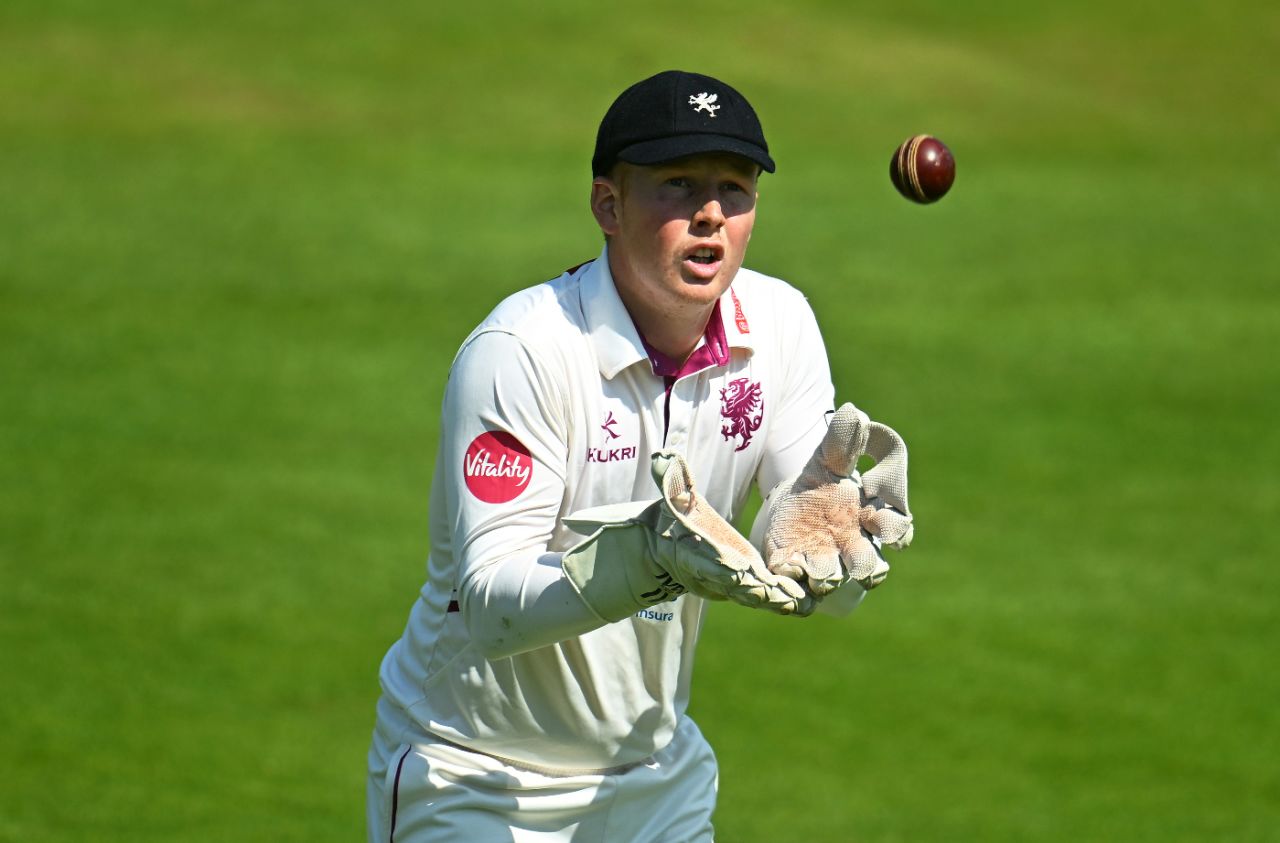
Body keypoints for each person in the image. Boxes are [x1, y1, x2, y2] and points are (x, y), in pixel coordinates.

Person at [366, 69, 913, 842]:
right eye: (678, 186)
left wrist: (831, 544)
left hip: (656, 777)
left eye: (735, 187)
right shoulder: (522, 350)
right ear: (607, 205)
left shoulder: (782, 326)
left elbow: (813, 562)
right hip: (478, 778)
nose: (711, 215)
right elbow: (489, 604)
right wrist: (649, 556)